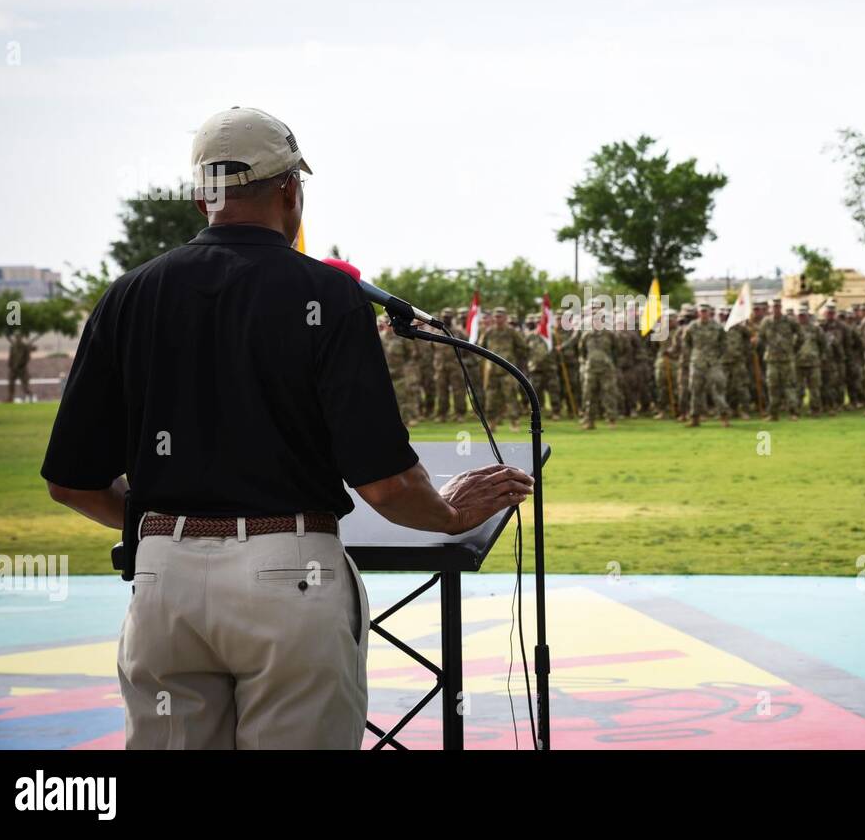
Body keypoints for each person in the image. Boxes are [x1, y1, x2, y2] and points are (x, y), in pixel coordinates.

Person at [40, 107, 532, 749]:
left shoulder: (128, 295)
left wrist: (169, 525)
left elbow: (72, 483)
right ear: (289, 189)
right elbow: (385, 485)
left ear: (201, 198)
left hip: (162, 584)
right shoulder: (328, 296)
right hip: (290, 578)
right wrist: (447, 513)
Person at [477, 306, 526, 431]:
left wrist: (512, 358)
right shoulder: (489, 332)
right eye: (496, 316)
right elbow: (480, 348)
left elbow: (523, 347)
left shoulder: (512, 332)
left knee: (511, 397)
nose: (498, 319)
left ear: (505, 317)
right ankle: (491, 424)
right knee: (491, 398)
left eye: (500, 316)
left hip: (507, 371)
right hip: (491, 371)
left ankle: (514, 423)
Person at [682, 303, 730, 427]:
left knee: (717, 390)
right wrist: (691, 355)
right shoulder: (692, 326)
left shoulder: (717, 327)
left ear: (709, 313)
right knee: (695, 391)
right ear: (698, 313)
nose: (703, 313)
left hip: (713, 363)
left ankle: (724, 417)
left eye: (705, 311)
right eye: (701, 311)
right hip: (697, 362)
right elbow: (686, 343)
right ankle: (695, 418)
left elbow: (724, 344)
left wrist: (717, 356)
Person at [578, 301, 622, 428]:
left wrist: (610, 362)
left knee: (609, 395)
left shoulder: (610, 334)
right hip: (590, 369)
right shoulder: (586, 335)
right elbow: (581, 351)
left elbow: (617, 350)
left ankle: (611, 420)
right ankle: (589, 421)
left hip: (606, 369)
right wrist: (586, 363)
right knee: (589, 396)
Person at [756, 298, 799, 421]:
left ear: (781, 307)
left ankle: (793, 413)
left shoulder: (790, 321)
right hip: (772, 360)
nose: (776, 309)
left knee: (789, 386)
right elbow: (761, 338)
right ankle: (773, 414)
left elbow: (800, 335)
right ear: (771, 308)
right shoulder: (766, 322)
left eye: (778, 306)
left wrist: (793, 349)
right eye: (774, 307)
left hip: (786, 359)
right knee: (772, 387)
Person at [432, 307, 469, 422]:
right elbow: (432, 348)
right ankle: (442, 414)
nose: (446, 318)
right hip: (440, 367)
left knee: (458, 391)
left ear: (452, 318)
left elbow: (467, 349)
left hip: (455, 366)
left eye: (448, 317)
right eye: (444, 317)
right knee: (441, 391)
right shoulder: (436, 332)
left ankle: (460, 414)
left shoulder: (459, 332)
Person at [793, 302, 825, 416]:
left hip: (813, 363)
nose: (802, 317)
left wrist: (818, 356)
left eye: (804, 315)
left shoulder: (815, 328)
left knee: (814, 388)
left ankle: (815, 409)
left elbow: (823, 344)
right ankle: (797, 410)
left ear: (807, 315)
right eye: (800, 315)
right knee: (798, 388)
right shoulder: (794, 329)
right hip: (798, 362)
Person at [7, 330, 37, 403]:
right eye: (16, 337)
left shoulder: (24, 347)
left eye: (19, 337)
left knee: (25, 386)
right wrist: (11, 365)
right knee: (11, 383)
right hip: (13, 369)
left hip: (22, 369)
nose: (18, 338)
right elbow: (11, 357)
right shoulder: (13, 347)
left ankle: (31, 396)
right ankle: (10, 398)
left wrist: (22, 365)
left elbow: (28, 357)